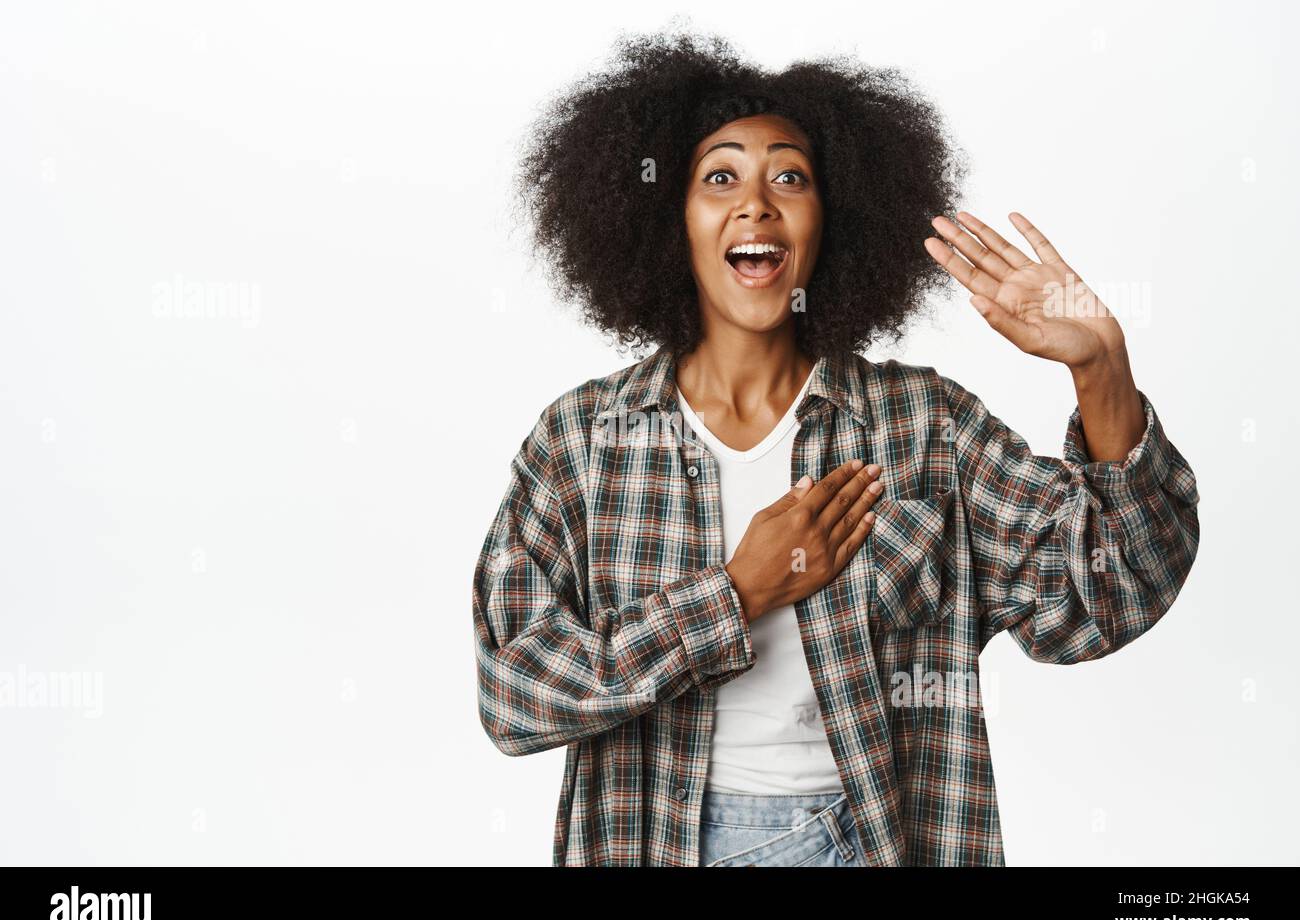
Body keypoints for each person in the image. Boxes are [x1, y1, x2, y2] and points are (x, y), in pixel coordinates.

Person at [471, 31, 1200, 866]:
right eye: (720, 178)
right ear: (669, 217)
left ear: (832, 222)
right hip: (652, 840)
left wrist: (1101, 367)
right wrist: (735, 593)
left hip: (869, 841)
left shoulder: (923, 426)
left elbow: (1111, 591)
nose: (757, 203)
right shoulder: (583, 442)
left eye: (790, 176)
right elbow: (514, 695)